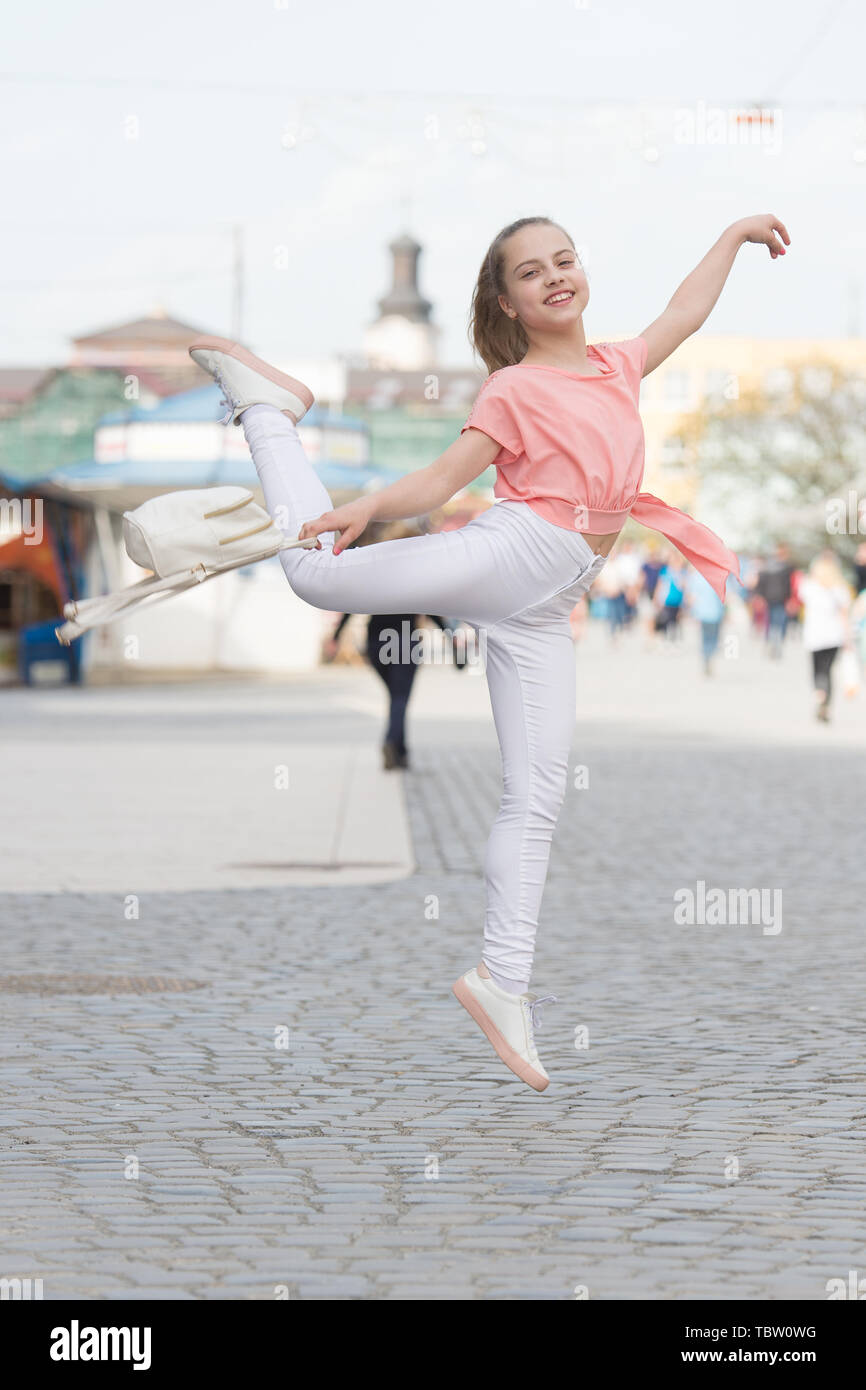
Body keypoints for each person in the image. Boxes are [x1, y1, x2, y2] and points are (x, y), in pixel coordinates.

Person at [188, 210, 787, 1091]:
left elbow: (685, 312)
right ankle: (269, 413)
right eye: (530, 273)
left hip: (547, 602)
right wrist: (371, 507)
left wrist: (734, 235)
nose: (555, 278)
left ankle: (502, 978)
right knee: (314, 578)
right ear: (505, 303)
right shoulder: (511, 389)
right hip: (513, 551)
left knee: (537, 793)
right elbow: (446, 476)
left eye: (565, 261)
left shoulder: (618, 365)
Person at [326, 523, 465, 770]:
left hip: (376, 644)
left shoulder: (375, 576)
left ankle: (400, 749)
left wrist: (336, 636)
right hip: (403, 643)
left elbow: (352, 606)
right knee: (400, 698)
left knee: (395, 697)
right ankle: (392, 743)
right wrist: (450, 637)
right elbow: (434, 613)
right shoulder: (418, 579)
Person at [799, 549, 853, 722]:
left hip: (814, 635)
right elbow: (844, 614)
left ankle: (820, 694)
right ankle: (826, 704)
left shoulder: (809, 587)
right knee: (828, 671)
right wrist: (848, 636)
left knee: (817, 671)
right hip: (834, 636)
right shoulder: (839, 588)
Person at [756, 541, 795, 658]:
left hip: (780, 599)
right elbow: (762, 583)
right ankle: (774, 643)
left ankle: (774, 643)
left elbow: (791, 585)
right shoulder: (784, 567)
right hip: (774, 599)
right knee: (776, 622)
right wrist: (760, 597)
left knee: (776, 622)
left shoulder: (782, 567)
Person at [686, 567, 726, 674]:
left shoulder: (695, 577)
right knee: (714, 637)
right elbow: (726, 596)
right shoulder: (719, 576)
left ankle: (706, 656)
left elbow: (691, 597)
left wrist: (692, 612)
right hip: (716, 612)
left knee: (705, 637)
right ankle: (709, 654)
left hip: (702, 613)